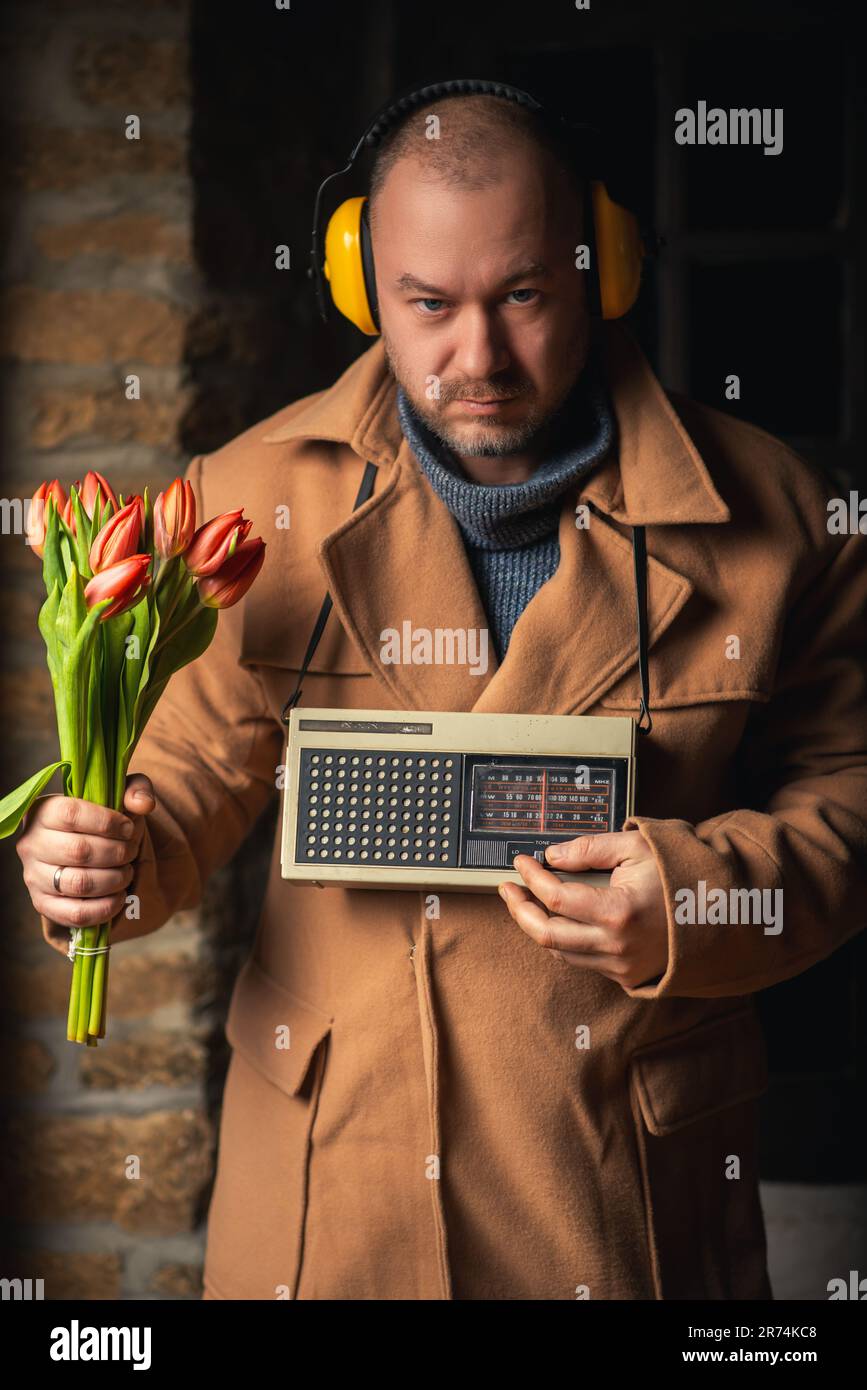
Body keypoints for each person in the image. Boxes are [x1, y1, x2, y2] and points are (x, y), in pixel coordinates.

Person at [15, 85, 867, 1301]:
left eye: (522, 295)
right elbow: (186, 782)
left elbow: (850, 804)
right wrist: (107, 856)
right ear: (363, 287)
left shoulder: (783, 520)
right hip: (332, 1193)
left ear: (603, 265)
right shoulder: (253, 495)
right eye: (428, 306)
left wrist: (693, 903)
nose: (478, 358)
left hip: (618, 1197)